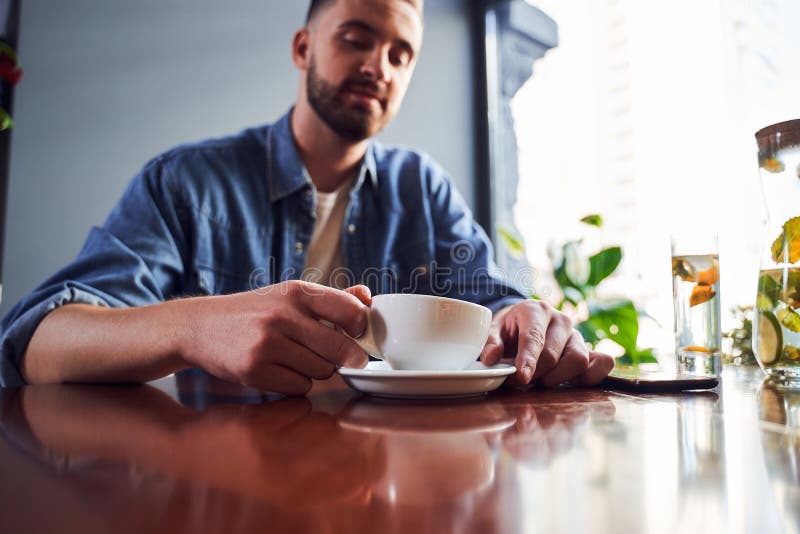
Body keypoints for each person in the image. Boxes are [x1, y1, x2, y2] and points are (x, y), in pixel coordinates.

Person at [0, 0, 614, 393]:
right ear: (303, 48)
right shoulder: (186, 182)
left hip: (398, 486)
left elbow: (495, 299)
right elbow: (36, 343)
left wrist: (521, 318)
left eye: (401, 55)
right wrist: (197, 325)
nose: (380, 65)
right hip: (230, 486)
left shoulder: (422, 187)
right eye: (357, 38)